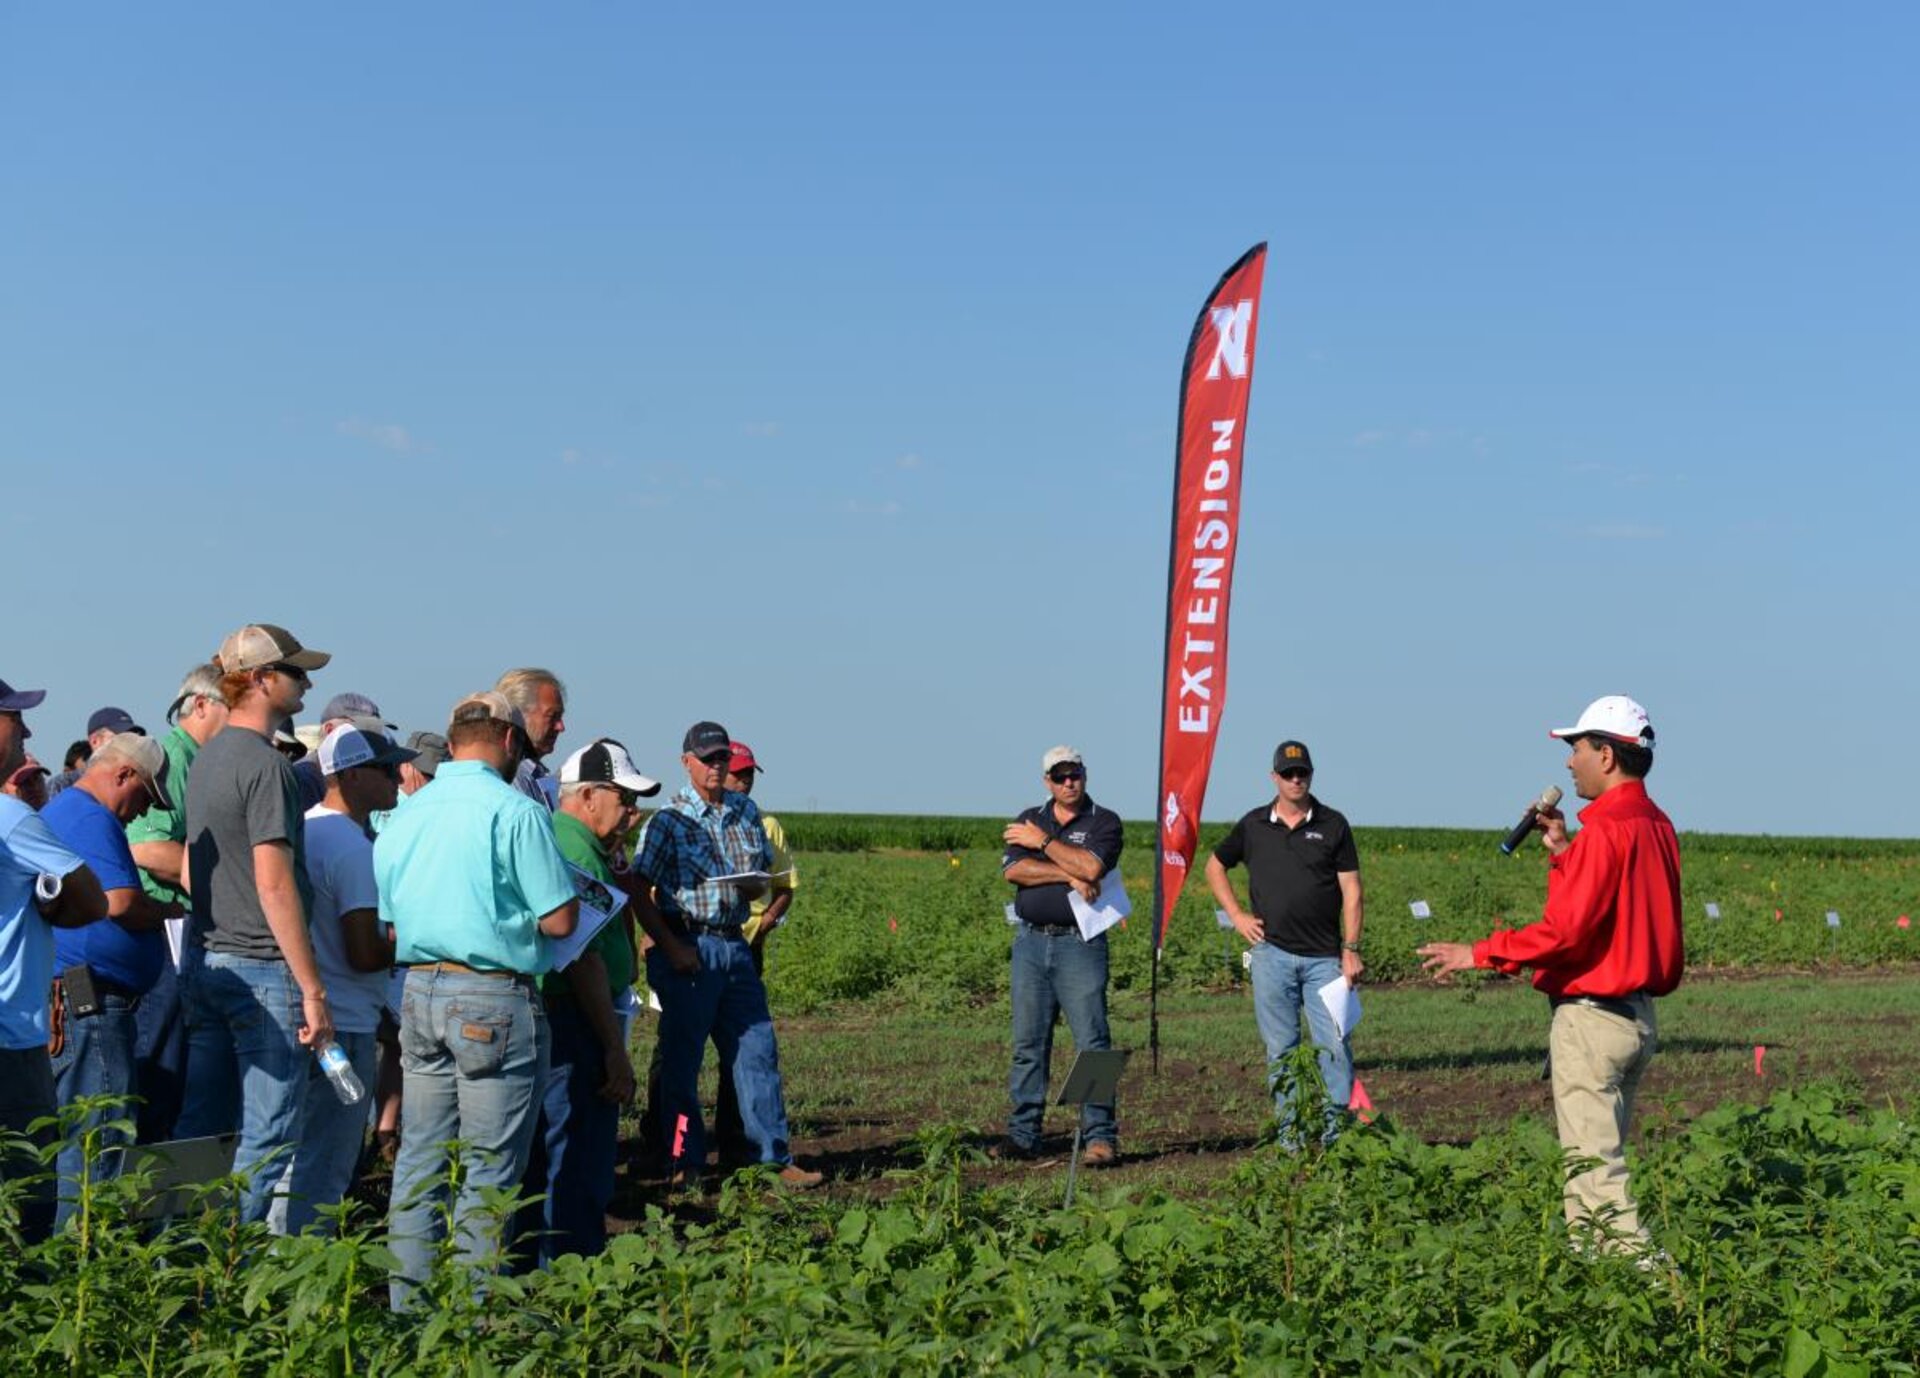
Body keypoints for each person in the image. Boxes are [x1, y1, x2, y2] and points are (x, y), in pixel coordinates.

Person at [1419, 696, 1682, 1260]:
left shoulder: (1609, 829)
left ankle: (1665, 1300)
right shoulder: (1654, 824)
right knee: (1590, 1175)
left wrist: (1481, 953)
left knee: (1597, 1176)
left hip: (1593, 1019)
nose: (1569, 763)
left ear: (1607, 756)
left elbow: (1565, 934)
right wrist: (1564, 852)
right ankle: (1602, 1293)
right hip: (1635, 1018)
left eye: (1577, 748)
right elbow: (1608, 914)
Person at [375, 691, 578, 1307]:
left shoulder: (405, 811)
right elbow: (562, 920)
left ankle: (408, 1307)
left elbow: (390, 925)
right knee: (490, 1169)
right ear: (511, 741)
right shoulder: (515, 812)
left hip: (419, 989)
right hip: (490, 995)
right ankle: (472, 1317)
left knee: (420, 1158)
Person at [173, 623, 336, 1224]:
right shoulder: (267, 767)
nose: (307, 681)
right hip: (263, 970)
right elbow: (274, 883)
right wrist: (313, 990)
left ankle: (173, 1262)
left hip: (208, 959)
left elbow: (196, 866)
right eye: (295, 672)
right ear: (263, 680)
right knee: (268, 1138)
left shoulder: (207, 758)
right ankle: (222, 1275)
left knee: (201, 1129)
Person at [633, 721, 819, 1187]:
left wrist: (752, 886)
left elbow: (761, 871)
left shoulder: (744, 810)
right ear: (686, 762)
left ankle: (770, 1159)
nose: (716, 766)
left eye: (721, 758)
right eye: (707, 758)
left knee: (758, 1052)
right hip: (688, 945)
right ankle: (682, 1159)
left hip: (734, 944)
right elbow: (637, 885)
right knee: (682, 1061)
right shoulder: (669, 819)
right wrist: (669, 944)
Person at [273, 724, 414, 1235]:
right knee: (327, 1164)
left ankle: (273, 1256)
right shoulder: (355, 850)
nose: (399, 777)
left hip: (305, 1014)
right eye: (384, 769)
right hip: (347, 1018)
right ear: (350, 775)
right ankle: (304, 1272)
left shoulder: (306, 828)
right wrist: (409, 936)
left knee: (291, 1154)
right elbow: (362, 952)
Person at [522, 738, 659, 1263]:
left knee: (550, 1150)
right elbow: (584, 960)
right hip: (576, 1020)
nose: (631, 811)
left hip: (566, 1016)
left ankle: (542, 1260)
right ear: (587, 796)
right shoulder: (575, 849)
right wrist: (613, 1049)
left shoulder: (567, 841)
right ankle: (568, 1269)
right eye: (623, 798)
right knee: (574, 1151)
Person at [43, 735, 182, 1221]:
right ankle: (81, 1268)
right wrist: (164, 910)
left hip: (83, 997)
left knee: (84, 1136)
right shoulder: (90, 816)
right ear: (123, 775)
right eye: (143, 796)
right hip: (92, 1003)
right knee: (98, 1141)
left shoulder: (72, 813)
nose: (140, 812)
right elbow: (121, 902)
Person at [1205, 740, 1365, 1147]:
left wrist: (1351, 949)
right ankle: (1290, 1139)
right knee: (1281, 1050)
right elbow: (1214, 866)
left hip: (1325, 960)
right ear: (1274, 777)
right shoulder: (1254, 824)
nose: (1296, 779)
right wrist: (1238, 916)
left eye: (1303, 773)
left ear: (1311, 776)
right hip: (1270, 955)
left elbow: (1352, 891)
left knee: (1333, 1047)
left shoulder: (1333, 824)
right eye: (1288, 773)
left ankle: (1336, 1139)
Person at [0, 677, 108, 1241]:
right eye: (16, 719)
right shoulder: (11, 818)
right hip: (12, 1038)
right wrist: (49, 902)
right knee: (29, 1202)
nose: (27, 732)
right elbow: (92, 898)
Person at [994, 746, 1125, 1167]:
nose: (1069, 782)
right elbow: (1015, 871)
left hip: (1080, 945)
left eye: (1075, 774)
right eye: (1060, 776)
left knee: (1093, 1041)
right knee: (1028, 1043)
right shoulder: (1028, 818)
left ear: (1085, 775)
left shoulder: (1104, 821)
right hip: (1030, 943)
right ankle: (1024, 1134)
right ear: (1047, 781)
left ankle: (1100, 1136)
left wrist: (1044, 845)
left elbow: (1092, 868)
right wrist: (1067, 871)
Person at [125, 663, 229, 1144]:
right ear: (202, 705)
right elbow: (148, 849)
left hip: (183, 925)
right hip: (166, 930)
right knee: (163, 1069)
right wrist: (227, 891)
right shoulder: (173, 757)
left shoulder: (204, 759)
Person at [713, 740, 795, 1166]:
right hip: (695, 949)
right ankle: (671, 1152)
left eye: (748, 774)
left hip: (747, 949)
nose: (742, 781)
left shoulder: (766, 825)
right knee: (676, 1061)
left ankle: (741, 1148)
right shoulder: (683, 820)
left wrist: (766, 923)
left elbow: (785, 886)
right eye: (736, 773)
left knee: (749, 1051)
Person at [494, 668, 567, 808]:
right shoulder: (510, 777)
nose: (561, 727)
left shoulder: (537, 774)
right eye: (552, 716)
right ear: (518, 716)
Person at [47, 707, 143, 798]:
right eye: (120, 737)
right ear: (95, 741)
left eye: (132, 738)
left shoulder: (139, 784)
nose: (128, 743)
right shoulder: (63, 785)